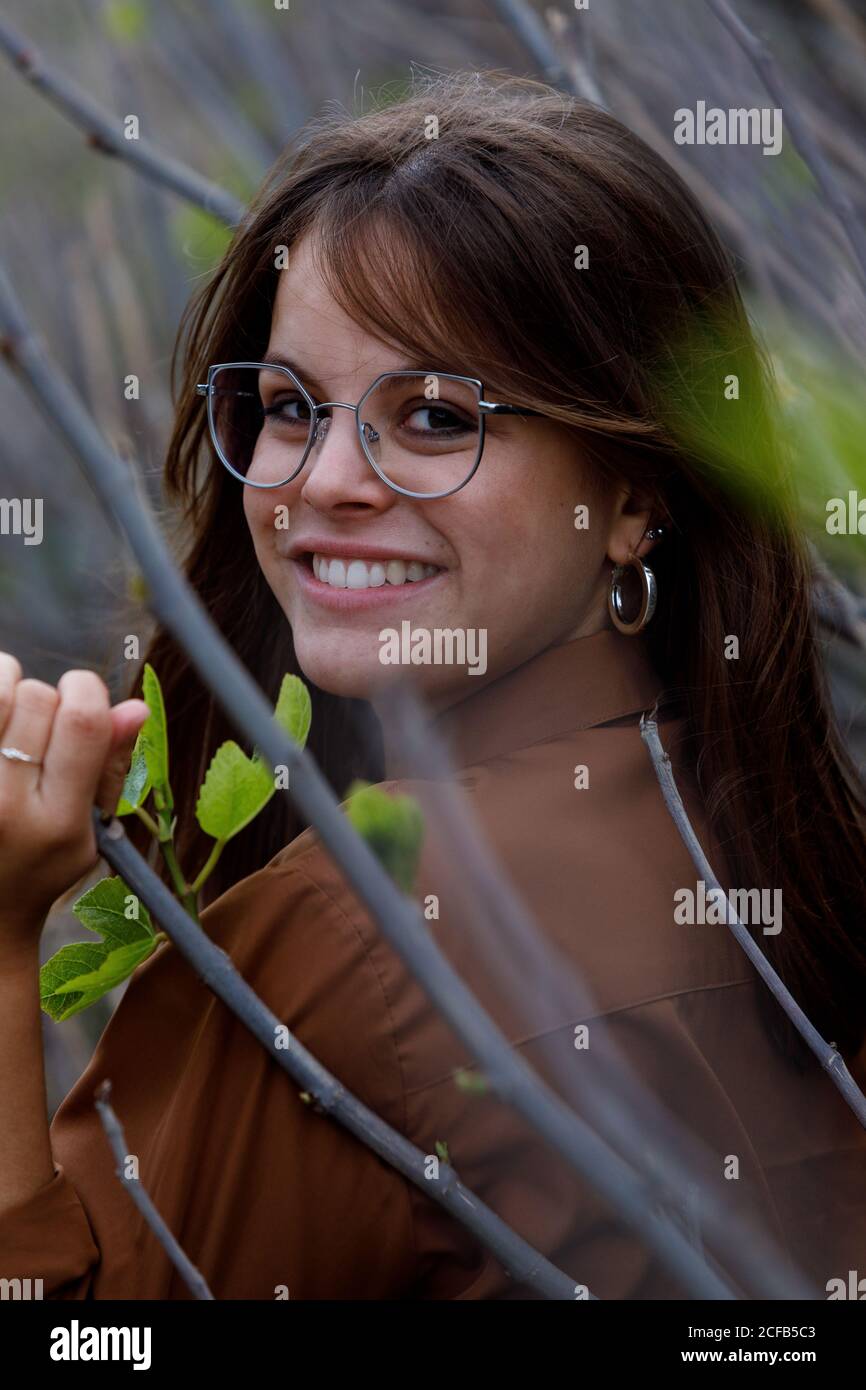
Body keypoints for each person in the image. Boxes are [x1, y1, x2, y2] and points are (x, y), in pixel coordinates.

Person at [1, 73, 865, 1301]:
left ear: (631, 498)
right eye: (292, 404)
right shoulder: (781, 850)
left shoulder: (358, 933)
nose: (328, 479)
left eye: (436, 417)